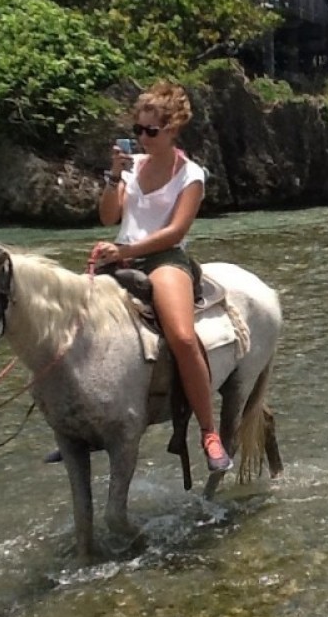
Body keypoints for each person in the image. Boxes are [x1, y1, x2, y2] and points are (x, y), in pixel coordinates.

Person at [96, 80, 232, 473]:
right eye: (137, 130)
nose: (141, 138)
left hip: (164, 258)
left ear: (172, 130)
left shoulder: (191, 175)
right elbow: (109, 217)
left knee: (182, 335)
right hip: (121, 257)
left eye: (150, 131)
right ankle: (85, 423)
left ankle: (208, 431)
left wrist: (126, 251)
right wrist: (112, 177)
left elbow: (174, 232)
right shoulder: (131, 167)